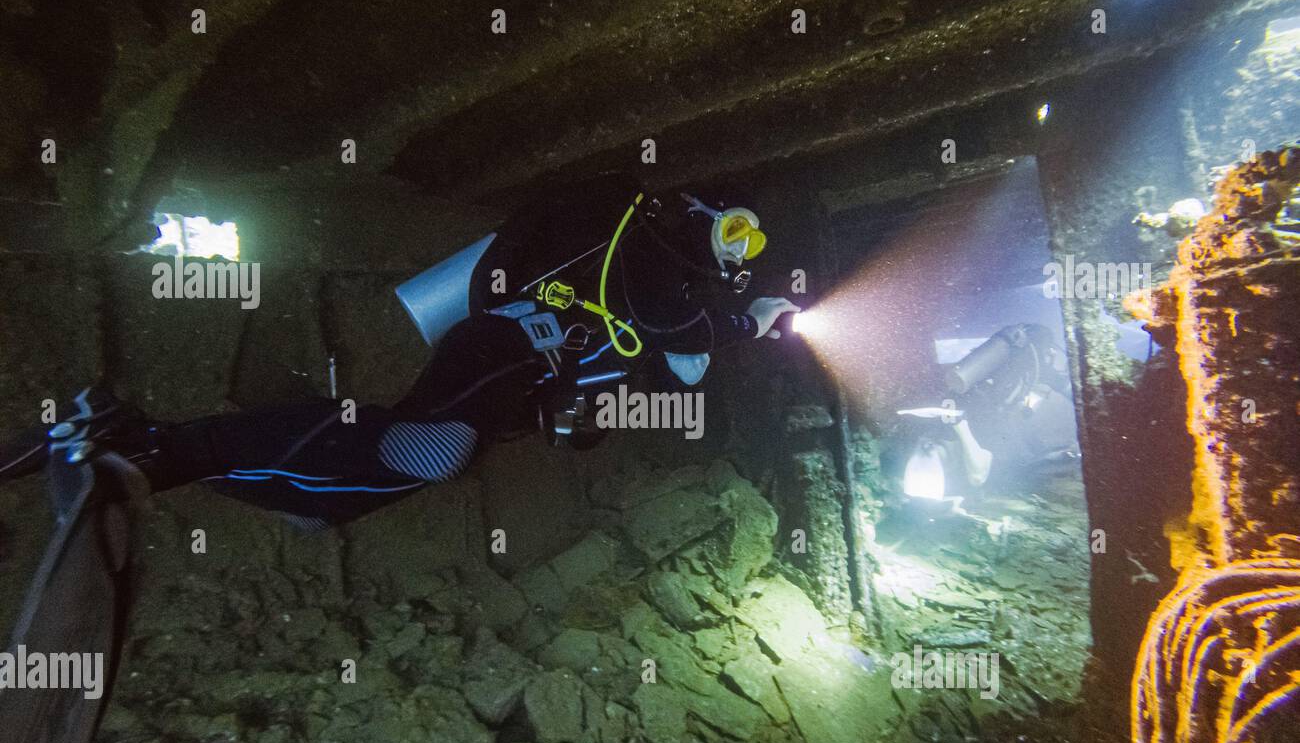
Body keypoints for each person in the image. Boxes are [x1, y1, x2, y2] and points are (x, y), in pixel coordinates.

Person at [3, 177, 798, 530]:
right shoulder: (665, 253)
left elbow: (667, 360)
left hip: (513, 372)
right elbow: (684, 339)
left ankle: (153, 452)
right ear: (706, 215)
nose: (736, 251)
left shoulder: (670, 278)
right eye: (737, 231)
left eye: (747, 245)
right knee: (420, 451)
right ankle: (157, 446)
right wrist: (755, 321)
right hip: (506, 348)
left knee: (364, 485)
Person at [898, 322, 1078, 506]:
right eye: (1049, 351)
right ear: (1045, 351)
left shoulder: (1014, 364)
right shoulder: (1027, 366)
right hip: (980, 417)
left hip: (971, 415)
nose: (1051, 355)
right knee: (979, 470)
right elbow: (977, 477)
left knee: (966, 459)